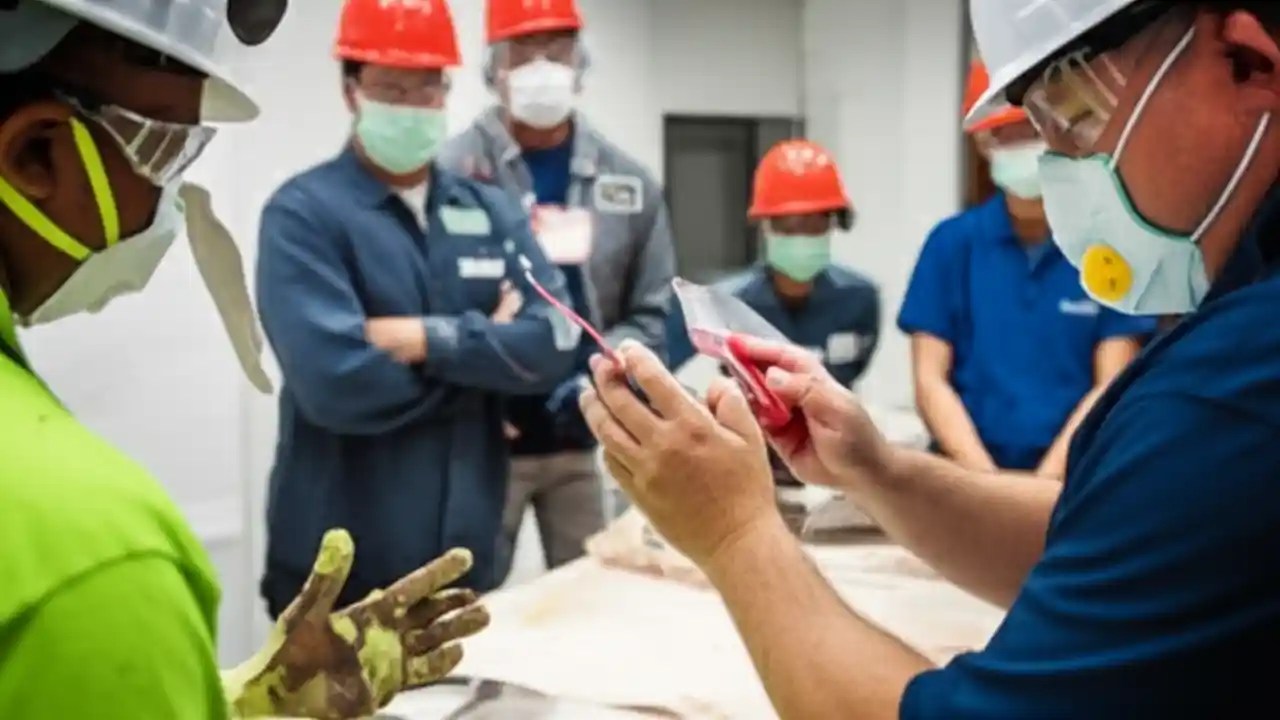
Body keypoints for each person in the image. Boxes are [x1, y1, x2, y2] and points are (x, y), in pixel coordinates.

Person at [580, 0, 1280, 717]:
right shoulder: (1228, 325)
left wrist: (734, 532)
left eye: (1076, 120)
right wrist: (878, 470)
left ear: (1248, 60)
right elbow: (1112, 543)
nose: (1065, 174)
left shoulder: (1235, 386)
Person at [0, 1, 488, 718]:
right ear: (34, 154)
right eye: (166, 151)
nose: (172, 201)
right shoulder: (94, 558)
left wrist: (250, 702)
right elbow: (335, 379)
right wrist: (478, 361)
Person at [257, 0, 580, 613]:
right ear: (351, 91)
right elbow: (334, 383)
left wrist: (431, 342)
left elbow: (556, 341)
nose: (411, 105)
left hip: (462, 571)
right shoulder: (303, 215)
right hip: (337, 584)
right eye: (391, 88)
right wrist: (486, 364)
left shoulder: (489, 210)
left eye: (426, 90)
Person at [438, 0, 675, 581]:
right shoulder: (449, 172)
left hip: (586, 440)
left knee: (596, 601)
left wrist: (591, 381)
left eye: (557, 47)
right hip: (480, 444)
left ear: (581, 58)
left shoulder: (629, 184)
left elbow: (652, 314)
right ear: (493, 65)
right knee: (463, 612)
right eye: (523, 49)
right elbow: (425, 313)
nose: (542, 64)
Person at [898, 60, 1155, 477]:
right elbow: (930, 381)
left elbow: (1110, 384)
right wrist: (988, 486)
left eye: (1032, 130)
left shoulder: (1109, 245)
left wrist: (1044, 484)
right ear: (982, 144)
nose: (1021, 145)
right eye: (1005, 133)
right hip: (968, 477)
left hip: (1075, 476)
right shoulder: (951, 245)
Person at [666, 139, 879, 485]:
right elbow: (663, 366)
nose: (802, 237)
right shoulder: (726, 302)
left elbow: (853, 373)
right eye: (788, 226)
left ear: (834, 223)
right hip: (748, 462)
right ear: (764, 226)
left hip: (833, 463)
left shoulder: (859, 298)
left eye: (814, 224)